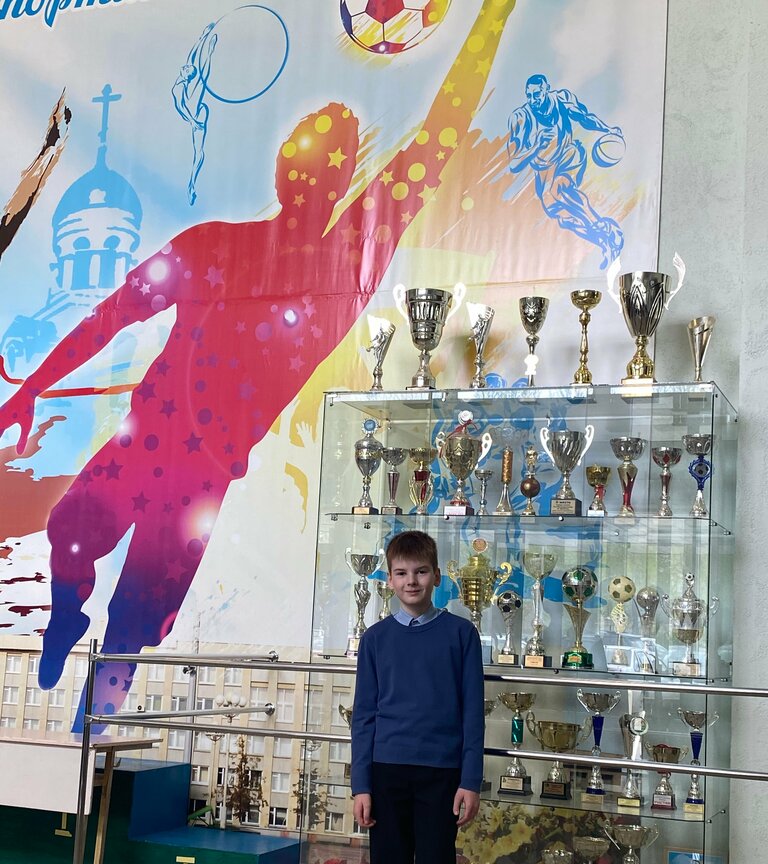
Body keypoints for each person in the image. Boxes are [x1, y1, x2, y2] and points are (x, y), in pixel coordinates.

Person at [0, 0, 516, 731]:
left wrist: (492, 16)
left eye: (325, 157)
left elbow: (439, 135)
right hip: (143, 446)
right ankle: (65, 620)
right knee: (71, 536)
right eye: (302, 153)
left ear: (338, 179)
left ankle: (93, 733)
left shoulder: (347, 261)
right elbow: (109, 316)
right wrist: (31, 388)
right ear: (280, 170)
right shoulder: (214, 243)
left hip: (199, 476)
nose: (307, 168)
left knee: (136, 618)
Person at [351, 530, 484, 864]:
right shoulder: (375, 640)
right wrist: (361, 785)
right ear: (388, 579)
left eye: (421, 572)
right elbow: (364, 716)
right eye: (402, 573)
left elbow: (473, 714)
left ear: (437, 577)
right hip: (386, 779)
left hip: (441, 781)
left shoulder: (461, 636)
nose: (412, 581)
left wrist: (470, 780)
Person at [508, 73, 625, 268]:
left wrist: (607, 130)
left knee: (560, 188)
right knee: (563, 218)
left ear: (546, 90)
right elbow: (514, 163)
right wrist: (536, 146)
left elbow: (585, 118)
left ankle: (603, 226)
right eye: (529, 96)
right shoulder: (521, 118)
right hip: (544, 170)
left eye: (537, 94)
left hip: (569, 153)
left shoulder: (561, 99)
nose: (533, 100)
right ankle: (605, 241)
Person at [171, 22, 217, 206]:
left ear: (187, 75)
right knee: (198, 152)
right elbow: (192, 55)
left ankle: (191, 185)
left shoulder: (182, 85)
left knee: (199, 152)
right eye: (186, 67)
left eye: (188, 69)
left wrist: (209, 47)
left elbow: (180, 106)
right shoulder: (181, 81)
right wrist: (203, 36)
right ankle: (191, 186)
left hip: (193, 112)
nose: (186, 67)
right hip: (194, 114)